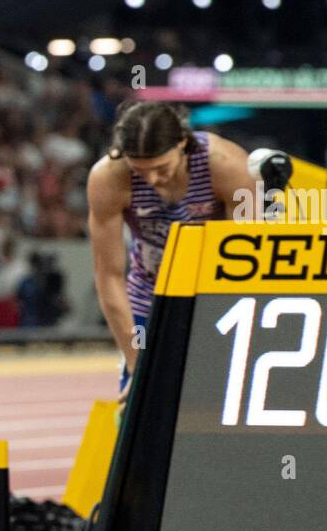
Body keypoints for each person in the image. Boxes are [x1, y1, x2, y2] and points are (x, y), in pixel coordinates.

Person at [87, 101, 258, 398]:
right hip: (149, 290)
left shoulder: (227, 165)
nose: (153, 179)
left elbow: (248, 260)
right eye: (140, 170)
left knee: (211, 398)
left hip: (212, 289)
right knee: (138, 400)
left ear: (182, 142)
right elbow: (109, 276)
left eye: (161, 168)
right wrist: (134, 360)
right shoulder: (108, 178)